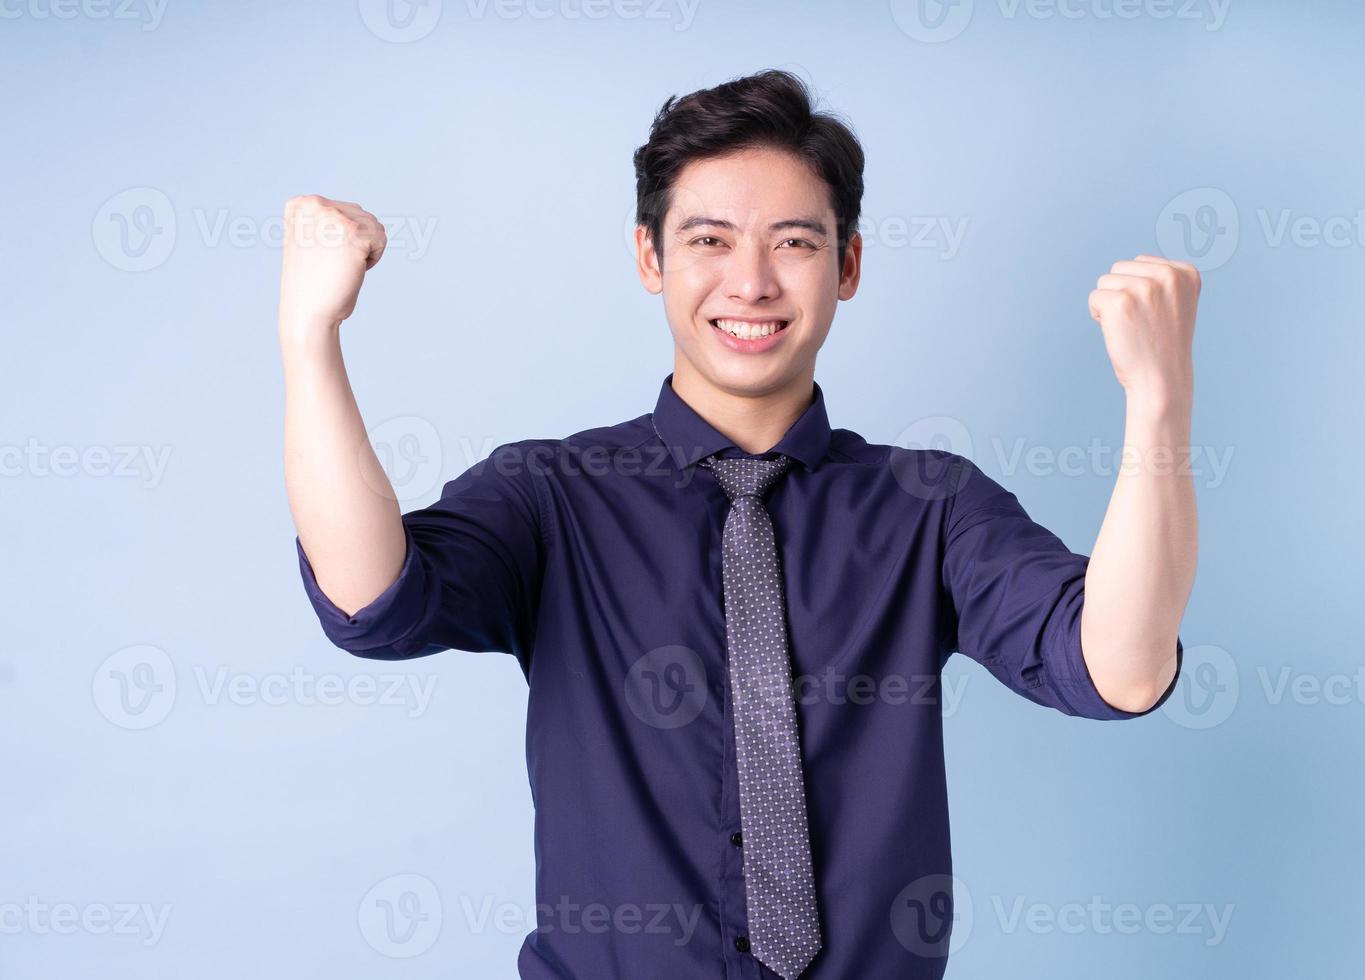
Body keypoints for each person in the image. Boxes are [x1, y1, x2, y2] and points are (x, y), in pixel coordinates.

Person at [280, 68, 1198, 980]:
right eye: (709, 240)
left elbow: (1118, 666)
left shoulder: (932, 507)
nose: (751, 283)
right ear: (652, 258)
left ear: (848, 264)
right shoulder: (552, 495)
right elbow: (371, 596)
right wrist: (310, 339)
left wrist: (1158, 403)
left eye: (793, 241)